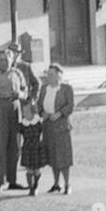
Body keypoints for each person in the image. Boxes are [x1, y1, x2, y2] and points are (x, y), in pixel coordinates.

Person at [0, 45, 27, 193]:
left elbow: (25, 91)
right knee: (0, 148)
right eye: (1, 60)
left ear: (12, 60)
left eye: (6, 60)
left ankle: (12, 180)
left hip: (15, 109)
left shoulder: (18, 73)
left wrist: (21, 94)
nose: (3, 62)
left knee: (15, 147)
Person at [37, 63, 76, 194]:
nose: (49, 77)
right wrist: (43, 113)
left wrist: (59, 113)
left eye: (52, 74)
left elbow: (70, 106)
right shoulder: (44, 89)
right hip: (48, 125)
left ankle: (67, 184)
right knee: (52, 155)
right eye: (48, 74)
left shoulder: (66, 89)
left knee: (63, 156)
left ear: (59, 75)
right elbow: (39, 105)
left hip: (61, 126)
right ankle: (56, 183)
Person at [17, 96, 48, 196]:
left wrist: (44, 143)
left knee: (37, 170)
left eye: (26, 111)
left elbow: (44, 132)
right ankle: (31, 188)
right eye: (23, 111)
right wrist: (19, 147)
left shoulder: (38, 122)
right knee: (29, 169)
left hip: (37, 147)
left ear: (32, 112)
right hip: (27, 147)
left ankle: (36, 185)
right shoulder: (22, 124)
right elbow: (18, 135)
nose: (24, 113)